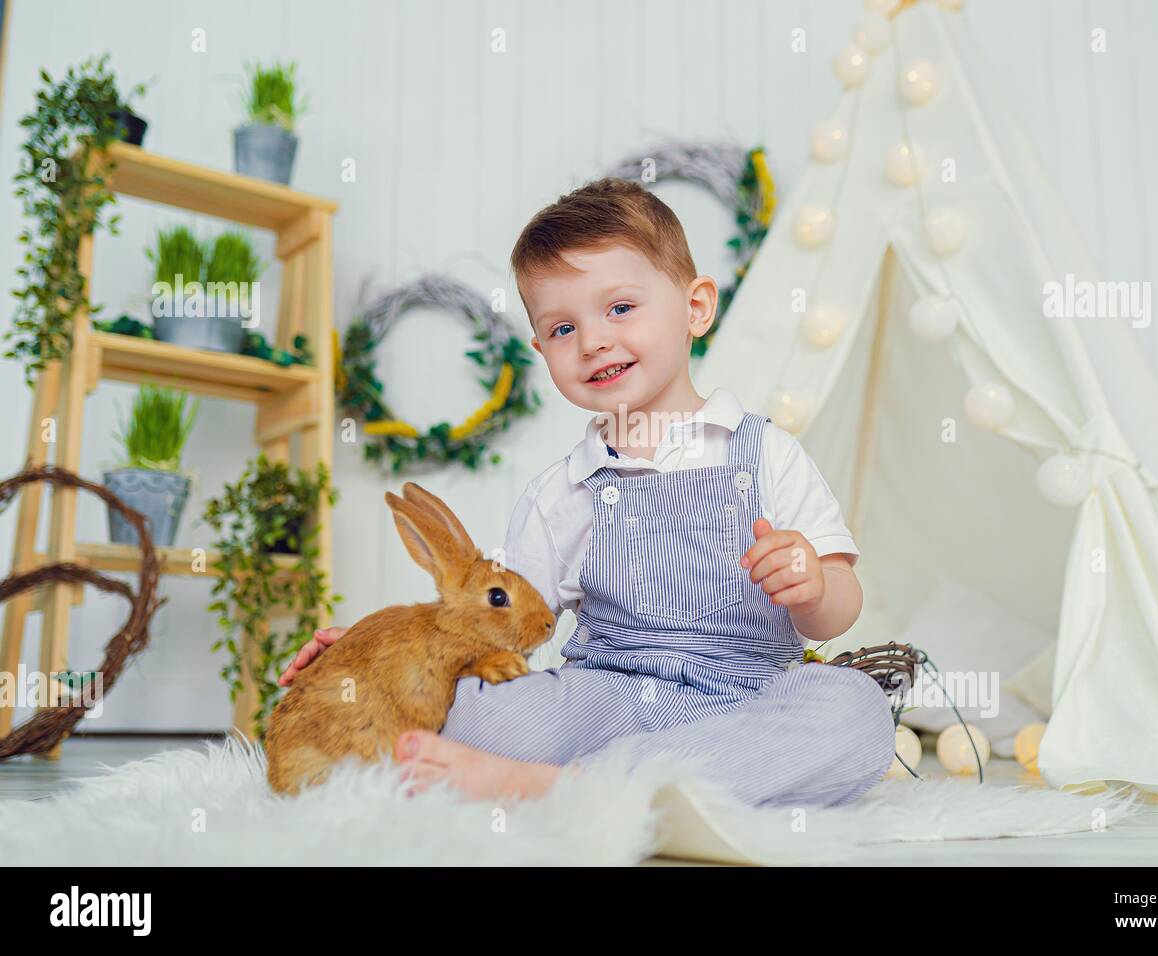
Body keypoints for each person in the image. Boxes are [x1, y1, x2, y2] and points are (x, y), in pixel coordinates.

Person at [280, 178, 896, 807]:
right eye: (563, 328)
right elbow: (494, 624)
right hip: (605, 700)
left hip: (748, 700)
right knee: (476, 709)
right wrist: (373, 653)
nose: (594, 340)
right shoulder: (563, 490)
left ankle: (566, 789)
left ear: (695, 308)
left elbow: (840, 609)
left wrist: (812, 586)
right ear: (541, 348)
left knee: (856, 712)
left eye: (620, 308)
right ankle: (634, 785)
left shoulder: (766, 452)